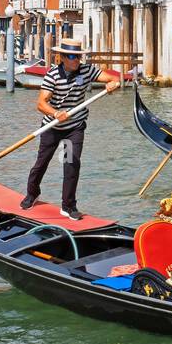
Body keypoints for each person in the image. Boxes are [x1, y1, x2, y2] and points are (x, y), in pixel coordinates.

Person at [22, 38, 121, 220]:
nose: (76, 60)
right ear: (62, 58)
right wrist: (55, 113)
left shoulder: (86, 70)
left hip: (73, 128)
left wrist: (113, 83)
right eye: (71, 56)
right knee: (42, 163)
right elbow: (41, 104)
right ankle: (32, 193)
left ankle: (68, 206)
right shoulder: (53, 75)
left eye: (78, 57)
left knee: (70, 163)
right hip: (52, 127)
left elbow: (113, 77)